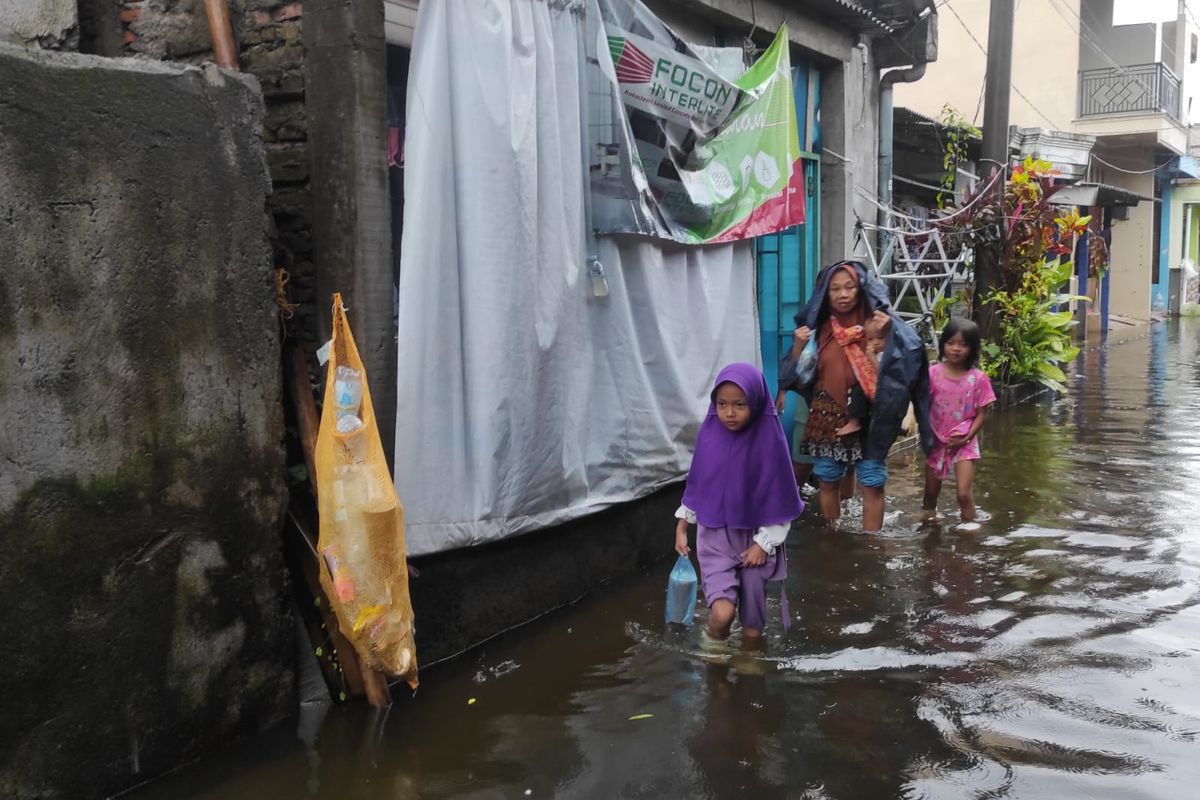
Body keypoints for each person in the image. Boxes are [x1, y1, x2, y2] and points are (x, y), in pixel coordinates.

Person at [781, 261, 934, 531]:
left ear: (861, 289)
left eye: (849, 287)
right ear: (824, 294)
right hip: (826, 411)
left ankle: (872, 546)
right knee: (827, 479)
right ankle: (832, 537)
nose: (842, 294)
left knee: (873, 481)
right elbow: (797, 374)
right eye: (835, 289)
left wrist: (890, 336)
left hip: (872, 416)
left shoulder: (879, 324)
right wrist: (797, 346)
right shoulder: (818, 328)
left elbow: (906, 359)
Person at [674, 363, 804, 642]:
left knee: (753, 627)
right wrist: (683, 525)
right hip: (715, 536)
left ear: (756, 402)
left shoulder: (770, 442)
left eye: (739, 404)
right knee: (722, 614)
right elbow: (699, 483)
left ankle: (748, 669)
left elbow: (779, 498)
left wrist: (764, 543)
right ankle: (714, 656)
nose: (729, 413)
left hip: (755, 540)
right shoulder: (710, 436)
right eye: (722, 404)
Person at [923, 318, 996, 523]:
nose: (956, 349)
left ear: (972, 349)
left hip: (965, 441)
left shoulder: (978, 378)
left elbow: (982, 414)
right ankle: (928, 527)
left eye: (963, 344)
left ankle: (969, 529)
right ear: (943, 344)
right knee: (930, 493)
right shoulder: (932, 374)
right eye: (951, 343)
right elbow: (922, 404)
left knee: (963, 494)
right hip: (937, 440)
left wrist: (965, 439)